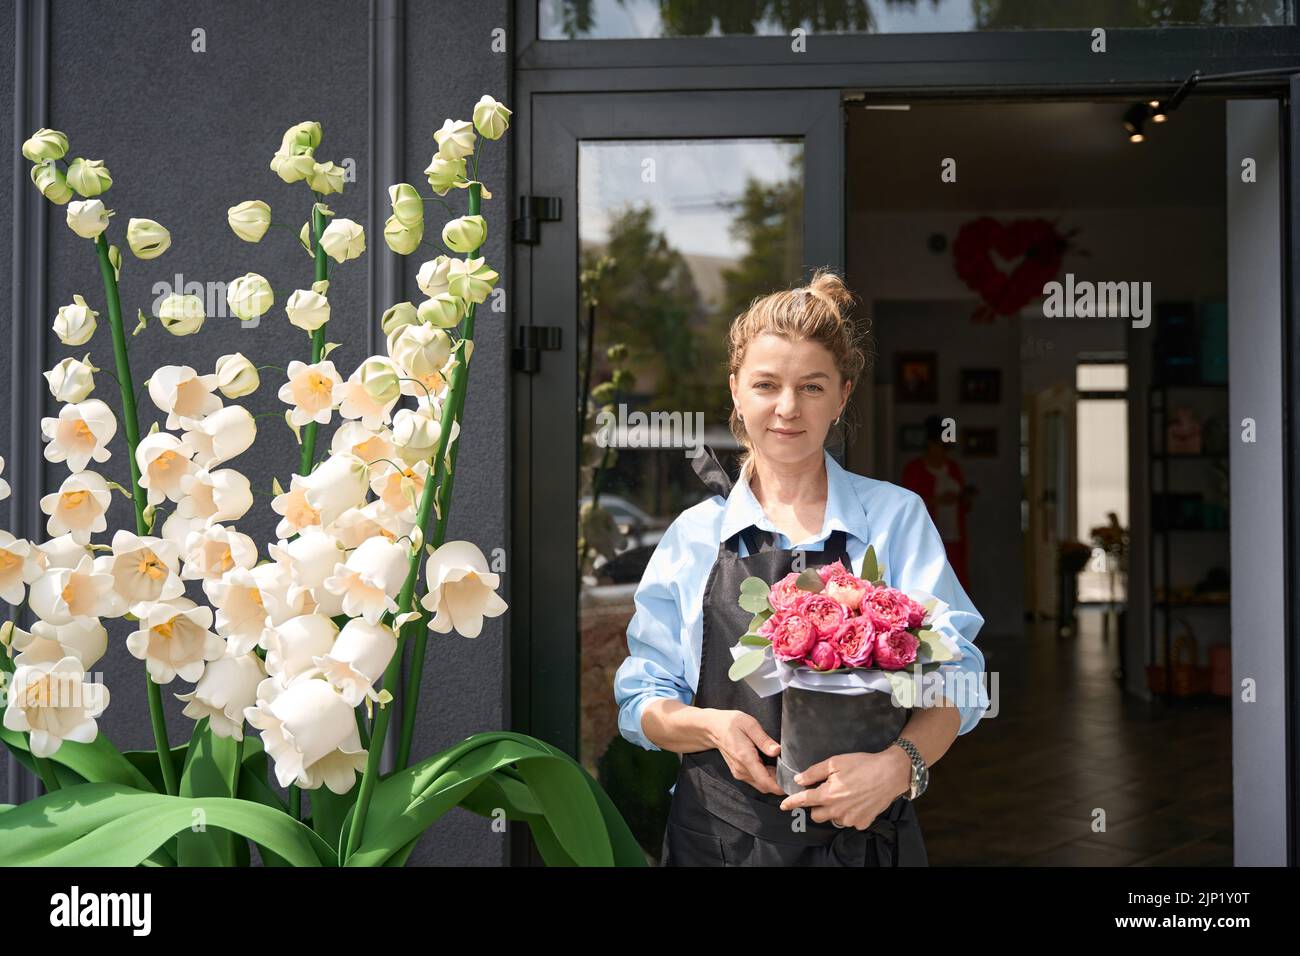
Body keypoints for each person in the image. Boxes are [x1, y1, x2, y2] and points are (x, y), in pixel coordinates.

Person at [613, 269, 989, 867]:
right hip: (719, 843)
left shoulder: (895, 518)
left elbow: (958, 678)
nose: (788, 408)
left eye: (812, 387)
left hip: (866, 843)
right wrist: (711, 728)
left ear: (842, 396)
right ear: (736, 390)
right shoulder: (694, 537)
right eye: (766, 384)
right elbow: (644, 699)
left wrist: (899, 767)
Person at [900, 415, 974, 591]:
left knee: (957, 582)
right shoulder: (915, 469)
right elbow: (908, 505)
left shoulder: (953, 468)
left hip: (954, 536)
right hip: (927, 536)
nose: (944, 451)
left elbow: (964, 505)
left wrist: (964, 498)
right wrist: (937, 501)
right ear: (931, 444)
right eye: (941, 446)